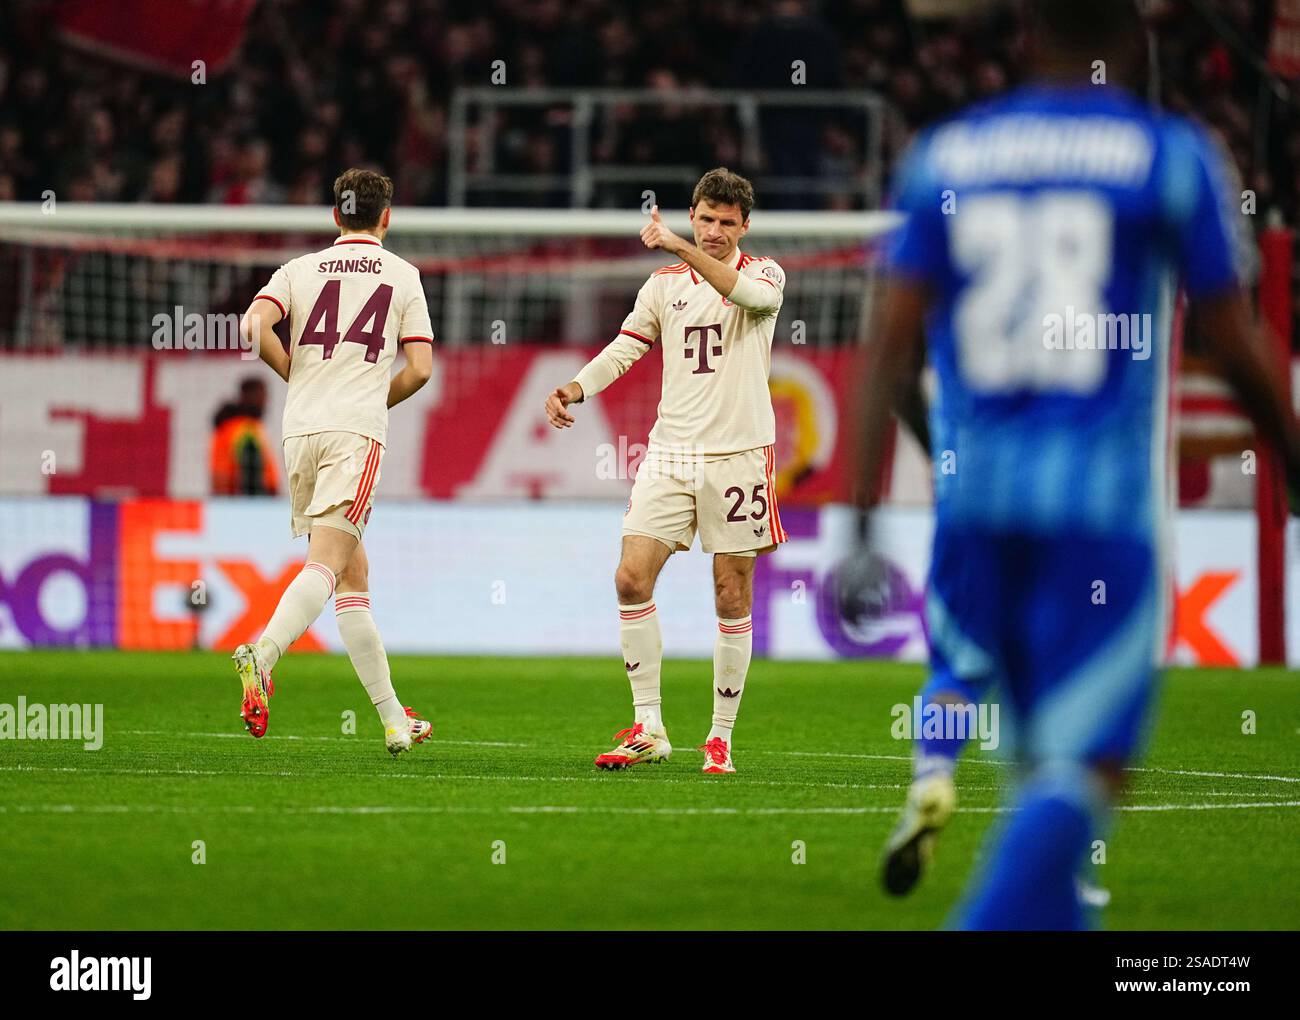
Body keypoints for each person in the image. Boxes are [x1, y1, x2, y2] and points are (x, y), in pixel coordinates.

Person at [841, 0, 1300, 928]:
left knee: (1024, 754)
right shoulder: (1169, 157)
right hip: (1099, 517)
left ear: (1025, 39)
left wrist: (858, 527)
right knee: (1083, 775)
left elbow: (885, 348)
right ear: (1132, 47)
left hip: (977, 509)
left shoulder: (946, 157)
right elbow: (1235, 341)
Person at [545, 168, 788, 775]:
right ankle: (649, 726)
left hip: (739, 454)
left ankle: (720, 737)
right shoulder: (662, 287)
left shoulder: (765, 275)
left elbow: (744, 296)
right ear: (693, 212)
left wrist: (678, 245)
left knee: (731, 592)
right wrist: (577, 387)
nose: (712, 231)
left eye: (725, 223)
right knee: (631, 577)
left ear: (744, 227)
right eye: (703, 219)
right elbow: (627, 345)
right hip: (672, 452)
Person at [234, 168, 436, 756]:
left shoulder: (298, 269)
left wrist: (296, 374)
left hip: (300, 431)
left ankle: (396, 722)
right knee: (328, 564)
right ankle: (263, 655)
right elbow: (421, 368)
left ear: (334, 217)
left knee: (352, 574)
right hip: (354, 433)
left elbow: (254, 326)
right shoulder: (402, 276)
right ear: (387, 218)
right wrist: (377, 397)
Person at [210, 377, 279, 496]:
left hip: (235, 501)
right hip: (246, 502)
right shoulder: (243, 428)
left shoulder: (237, 425)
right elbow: (250, 471)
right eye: (261, 395)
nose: (265, 401)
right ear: (248, 396)